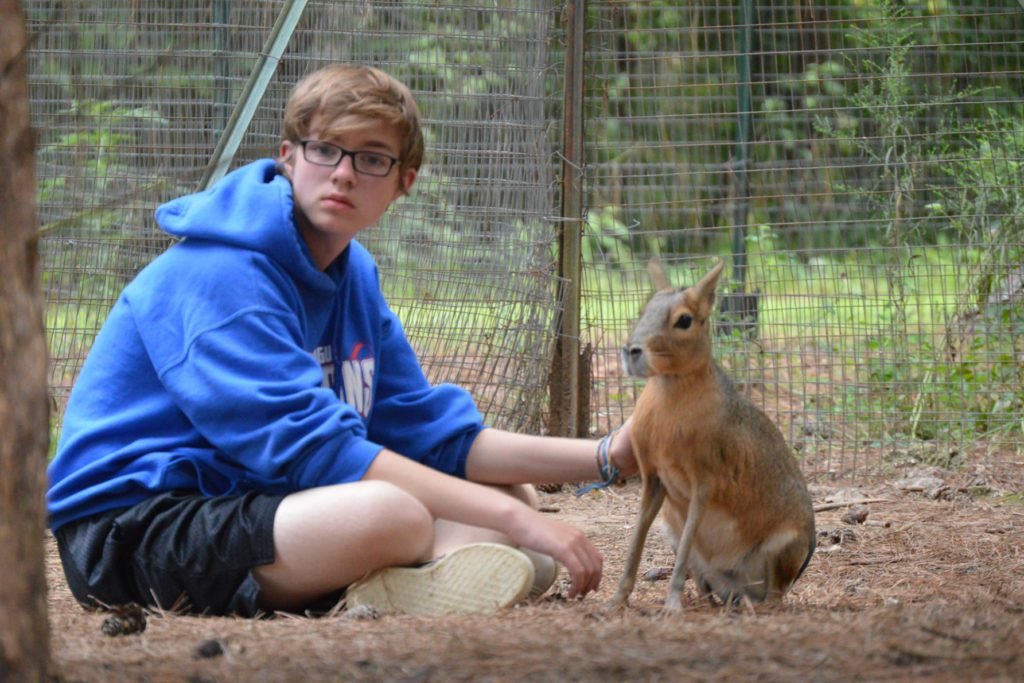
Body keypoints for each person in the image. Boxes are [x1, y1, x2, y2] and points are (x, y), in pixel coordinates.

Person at [47, 64, 636, 618]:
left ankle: (405, 582)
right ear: (288, 157)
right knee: (400, 514)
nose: (344, 173)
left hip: (253, 503)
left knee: (514, 497)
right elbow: (316, 452)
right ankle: (414, 565)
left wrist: (608, 455)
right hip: (133, 531)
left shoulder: (353, 275)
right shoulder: (220, 273)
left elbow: (427, 434)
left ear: (404, 182)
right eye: (325, 149)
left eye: (372, 158)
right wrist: (511, 520)